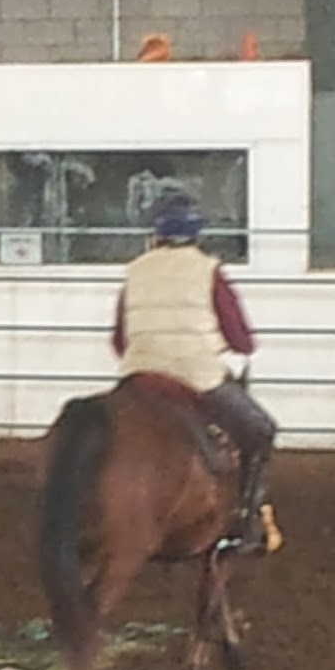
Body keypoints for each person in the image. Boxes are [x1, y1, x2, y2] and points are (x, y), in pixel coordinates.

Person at [111, 196, 277, 549]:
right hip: (197, 376)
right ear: (196, 234)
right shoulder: (207, 270)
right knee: (260, 430)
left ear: (156, 234)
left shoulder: (135, 271)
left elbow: (120, 340)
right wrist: (241, 346)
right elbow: (239, 336)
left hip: (139, 373)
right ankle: (243, 519)